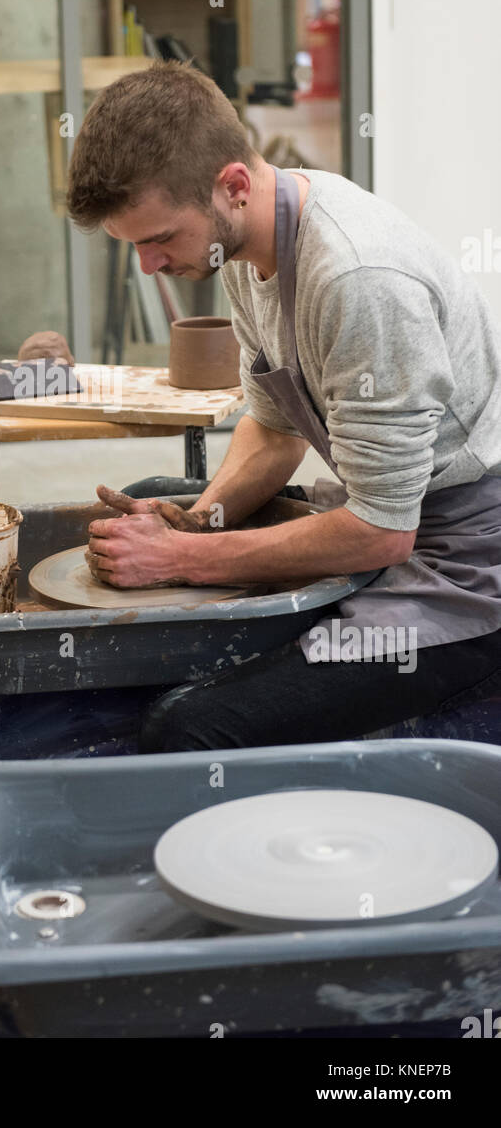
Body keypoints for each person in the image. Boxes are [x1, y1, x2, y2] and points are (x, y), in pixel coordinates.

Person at [65, 61, 501, 751]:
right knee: (151, 500)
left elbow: (382, 533)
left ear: (231, 185)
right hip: (380, 506)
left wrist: (180, 559)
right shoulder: (249, 244)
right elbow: (272, 434)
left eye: (157, 239)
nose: (147, 266)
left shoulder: (358, 279)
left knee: (191, 728)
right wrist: (200, 521)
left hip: (465, 561)